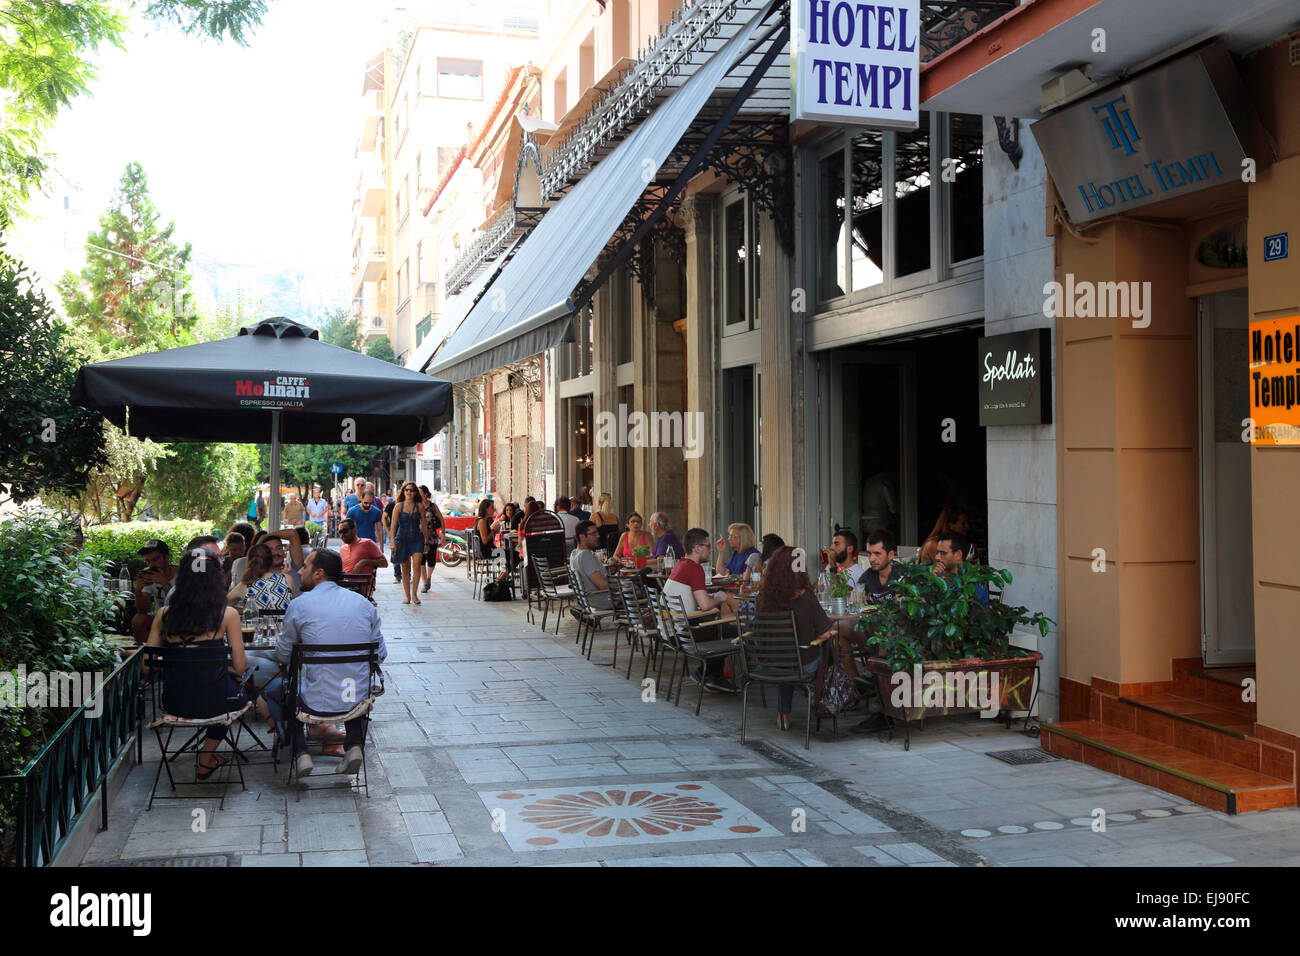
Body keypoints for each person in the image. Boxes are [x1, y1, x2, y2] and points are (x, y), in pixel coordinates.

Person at [145, 550, 270, 778]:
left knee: (218, 687)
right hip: (217, 703)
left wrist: (176, 660)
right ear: (216, 580)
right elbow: (241, 667)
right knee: (234, 686)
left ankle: (207, 757)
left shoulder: (163, 614)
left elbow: (147, 667)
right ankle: (206, 755)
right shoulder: (227, 615)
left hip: (175, 703)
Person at [276, 549, 387, 778]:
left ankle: (301, 752)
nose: (300, 571)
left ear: (319, 573)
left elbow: (282, 656)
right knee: (353, 681)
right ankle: (354, 745)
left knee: (281, 689)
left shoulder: (299, 605)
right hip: (355, 700)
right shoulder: (363, 604)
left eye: (305, 566)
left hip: (311, 701)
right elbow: (379, 654)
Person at [757, 546, 834, 731]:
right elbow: (826, 631)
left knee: (788, 655)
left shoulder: (762, 597)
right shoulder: (806, 597)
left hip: (768, 664)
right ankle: (820, 701)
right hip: (802, 665)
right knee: (824, 647)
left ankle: (783, 713)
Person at [663, 528, 740, 693]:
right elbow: (705, 605)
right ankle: (712, 676)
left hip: (670, 630)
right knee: (732, 629)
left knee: (717, 624)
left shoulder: (681, 564)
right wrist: (720, 598)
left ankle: (706, 674)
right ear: (697, 548)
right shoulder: (694, 568)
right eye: (708, 545)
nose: (711, 549)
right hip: (683, 633)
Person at [388, 481, 430, 605]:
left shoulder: (420, 506)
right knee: (405, 569)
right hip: (402, 539)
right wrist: (392, 541)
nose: (409, 492)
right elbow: (394, 525)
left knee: (417, 566)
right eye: (406, 490)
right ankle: (407, 596)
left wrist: (427, 541)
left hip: (417, 539)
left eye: (411, 490)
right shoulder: (398, 506)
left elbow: (423, 524)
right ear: (403, 492)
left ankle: (414, 595)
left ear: (415, 492)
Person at [131, 540, 178, 642]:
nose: (151, 565)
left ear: (167, 557)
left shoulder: (181, 574)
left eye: (155, 560)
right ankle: (148, 652)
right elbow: (142, 610)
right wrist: (138, 590)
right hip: (160, 619)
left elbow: (181, 605)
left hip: (180, 618)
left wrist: (164, 583)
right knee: (138, 620)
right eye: (148, 561)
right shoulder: (149, 575)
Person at [228, 543, 296, 610]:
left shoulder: (245, 585)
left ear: (249, 561)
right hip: (285, 621)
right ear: (271, 560)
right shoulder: (287, 578)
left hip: (258, 621)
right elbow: (293, 608)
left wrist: (245, 610)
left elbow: (224, 605)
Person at [934, 530, 989, 605]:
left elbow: (960, 610)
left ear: (958, 554)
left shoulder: (975, 579)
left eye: (943, 553)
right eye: (937, 552)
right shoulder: (941, 574)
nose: (936, 557)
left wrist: (943, 582)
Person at [568, 520, 612, 610]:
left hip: (588, 600)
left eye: (597, 533)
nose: (598, 536)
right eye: (593, 533)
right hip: (602, 600)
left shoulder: (574, 553)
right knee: (639, 590)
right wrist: (624, 585)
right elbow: (602, 585)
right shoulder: (585, 555)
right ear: (582, 537)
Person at [862, 529, 900, 601]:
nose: (871, 559)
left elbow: (901, 606)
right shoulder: (870, 573)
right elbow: (856, 598)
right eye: (869, 553)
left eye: (877, 553)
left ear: (890, 555)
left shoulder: (902, 574)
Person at [419, 486, 444, 593]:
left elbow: (441, 520)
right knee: (421, 561)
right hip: (419, 537)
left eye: (420, 492)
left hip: (432, 536)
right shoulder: (416, 506)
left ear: (425, 494)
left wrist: (443, 533)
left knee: (431, 560)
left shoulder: (433, 506)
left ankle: (428, 577)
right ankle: (425, 583)